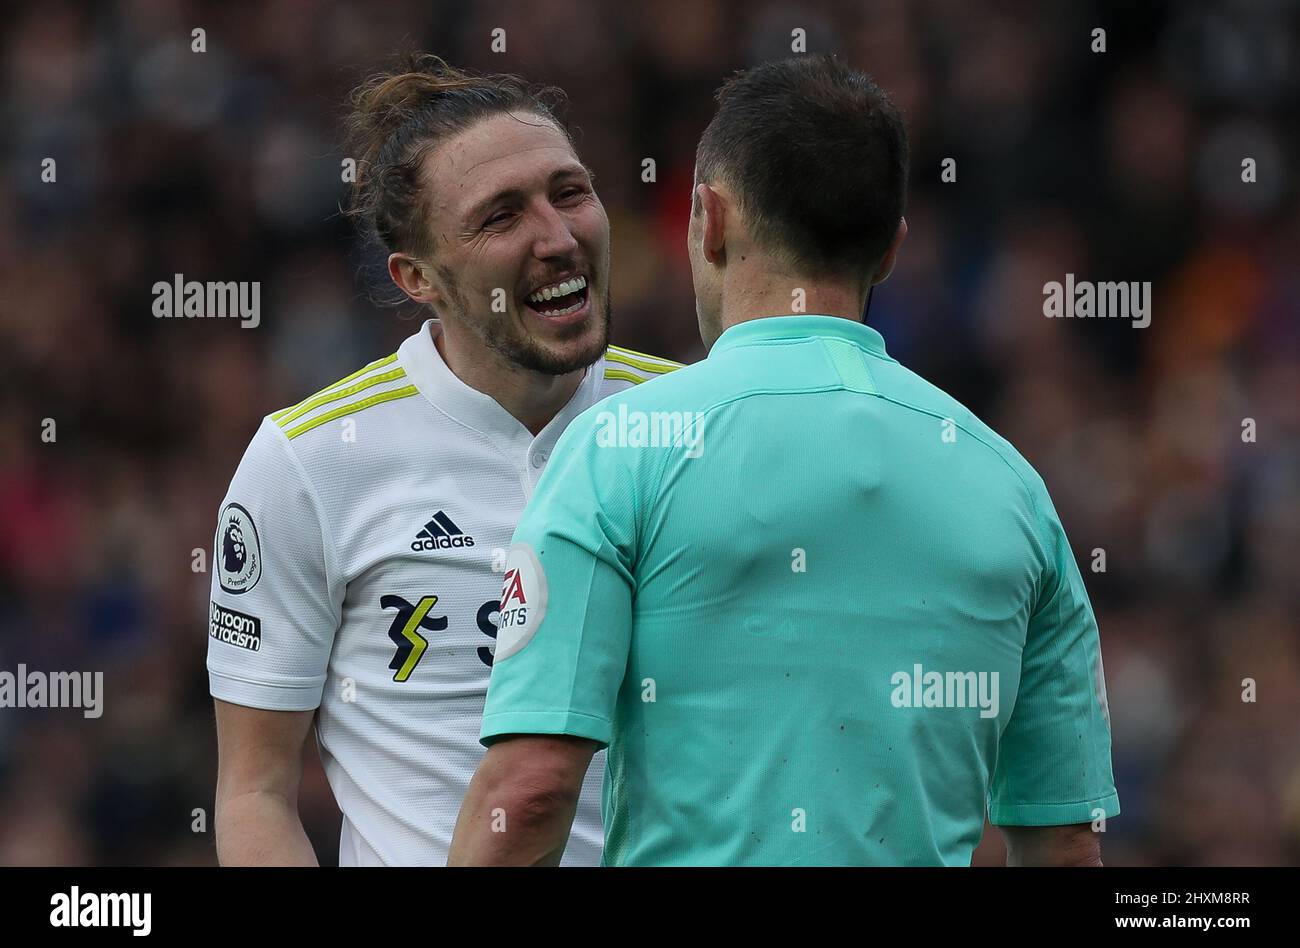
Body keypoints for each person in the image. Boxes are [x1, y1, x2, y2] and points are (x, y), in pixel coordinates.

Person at [449, 55, 1118, 866]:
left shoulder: (618, 450)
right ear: (890, 251)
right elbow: (1065, 844)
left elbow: (529, 794)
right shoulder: (1012, 488)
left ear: (711, 218)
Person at [208, 54, 682, 866]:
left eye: (570, 192)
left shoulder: (694, 421)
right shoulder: (307, 461)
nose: (559, 238)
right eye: (502, 217)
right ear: (417, 277)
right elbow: (255, 793)